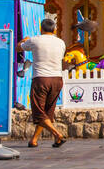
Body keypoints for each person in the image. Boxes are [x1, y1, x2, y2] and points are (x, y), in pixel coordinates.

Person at [17, 17, 68, 148]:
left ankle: (57, 134)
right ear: (55, 29)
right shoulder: (61, 43)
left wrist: (24, 40)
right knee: (47, 111)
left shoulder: (35, 40)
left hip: (41, 79)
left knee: (39, 112)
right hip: (57, 79)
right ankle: (34, 140)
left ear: (41, 28)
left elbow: (18, 48)